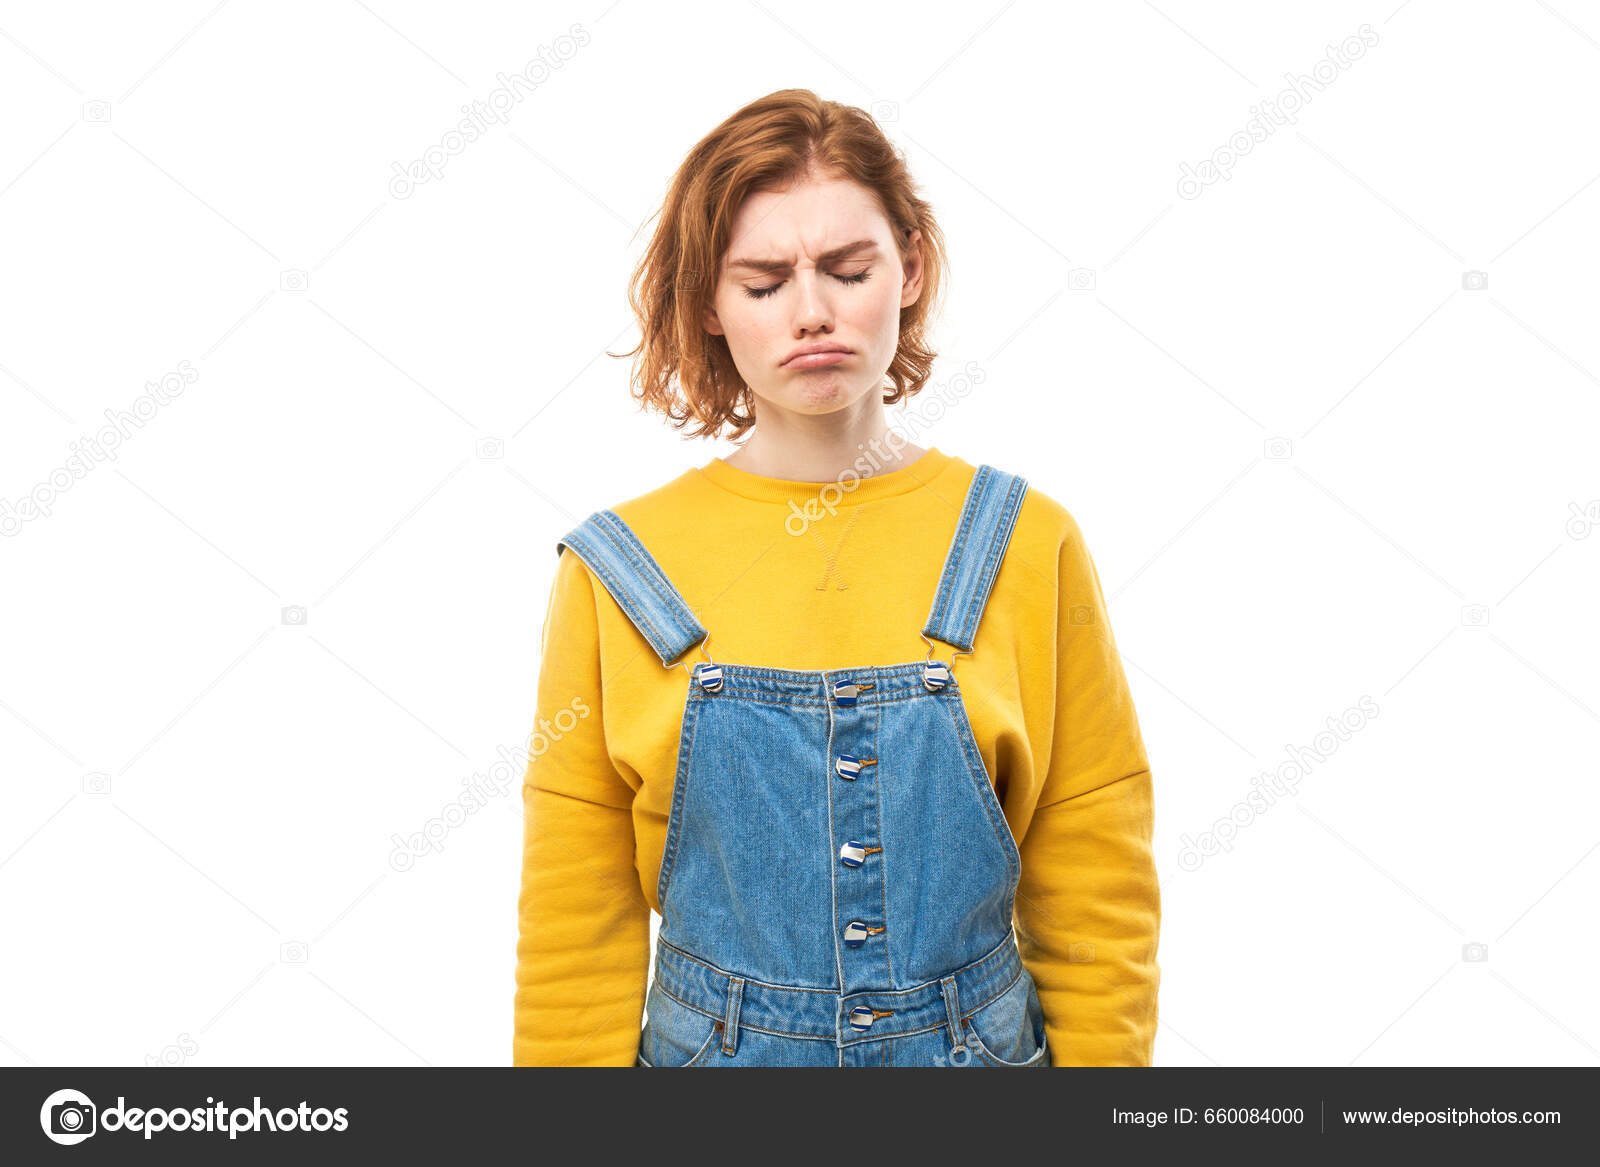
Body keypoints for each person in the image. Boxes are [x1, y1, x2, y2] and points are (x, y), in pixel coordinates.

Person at [513, 88, 1159, 1067]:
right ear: (709, 308)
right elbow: (576, 921)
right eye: (763, 283)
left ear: (911, 267)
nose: (811, 312)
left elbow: (1093, 876)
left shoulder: (1027, 542)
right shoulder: (617, 572)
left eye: (847, 269)